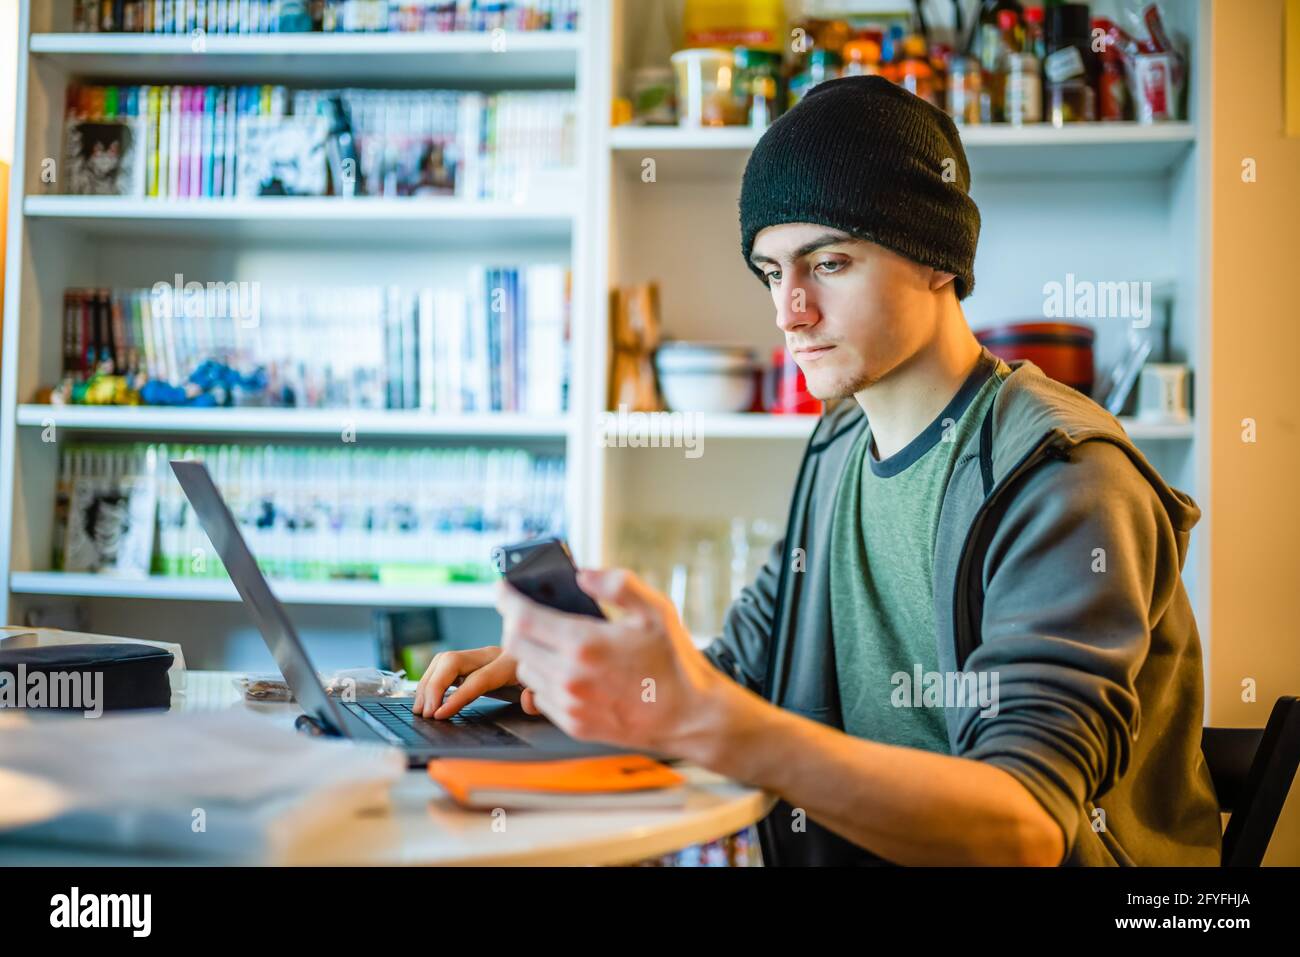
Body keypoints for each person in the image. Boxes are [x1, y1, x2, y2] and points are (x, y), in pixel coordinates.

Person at [410, 76, 1222, 866]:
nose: (787, 311)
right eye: (772, 272)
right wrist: (584, 665)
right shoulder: (838, 446)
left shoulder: (1064, 476)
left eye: (827, 263)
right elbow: (740, 673)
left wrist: (708, 718)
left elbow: (1026, 830)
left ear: (938, 257)